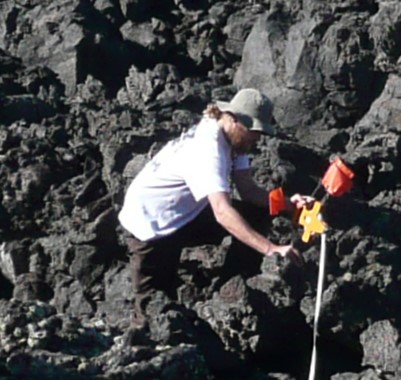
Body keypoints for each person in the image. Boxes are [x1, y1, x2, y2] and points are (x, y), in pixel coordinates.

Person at [119, 88, 292, 298]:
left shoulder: (235, 142)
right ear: (234, 119)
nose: (257, 137)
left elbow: (248, 190)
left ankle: (235, 287)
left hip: (186, 212)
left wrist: (289, 204)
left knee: (255, 213)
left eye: (260, 132)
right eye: (254, 130)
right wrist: (271, 249)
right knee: (157, 309)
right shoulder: (208, 150)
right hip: (151, 223)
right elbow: (222, 212)